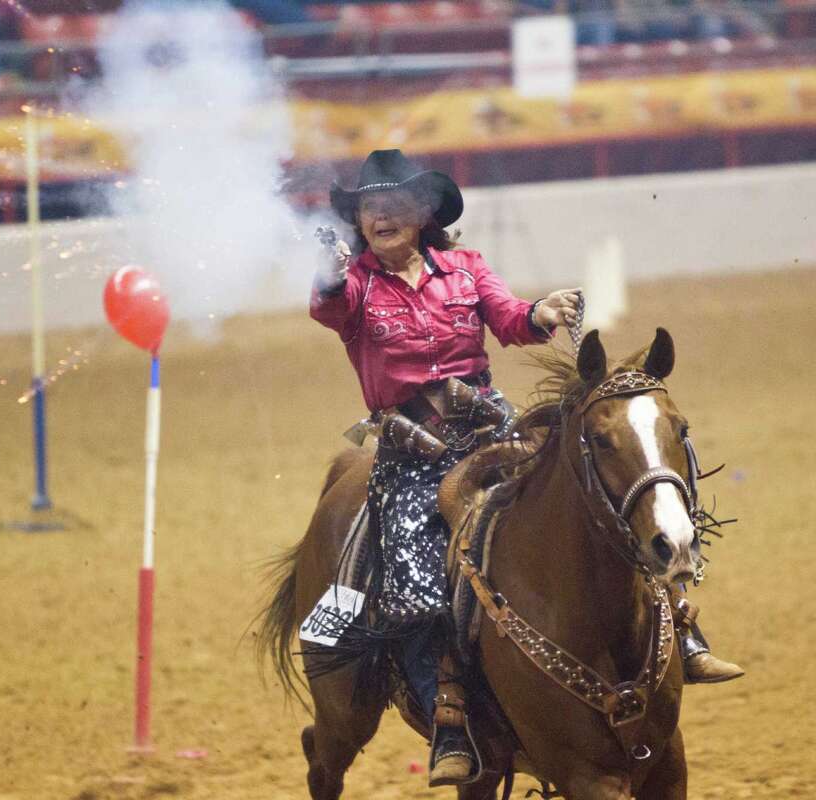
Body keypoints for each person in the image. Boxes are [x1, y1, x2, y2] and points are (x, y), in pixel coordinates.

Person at [309, 149, 742, 787]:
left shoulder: (464, 269)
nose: (383, 216)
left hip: (492, 426)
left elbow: (509, 317)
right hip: (410, 453)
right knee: (416, 573)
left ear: (425, 214)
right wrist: (326, 270)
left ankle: (679, 622)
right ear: (359, 219)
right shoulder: (356, 286)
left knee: (596, 495)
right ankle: (451, 716)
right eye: (372, 207)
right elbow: (328, 305)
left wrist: (541, 312)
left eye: (396, 205)